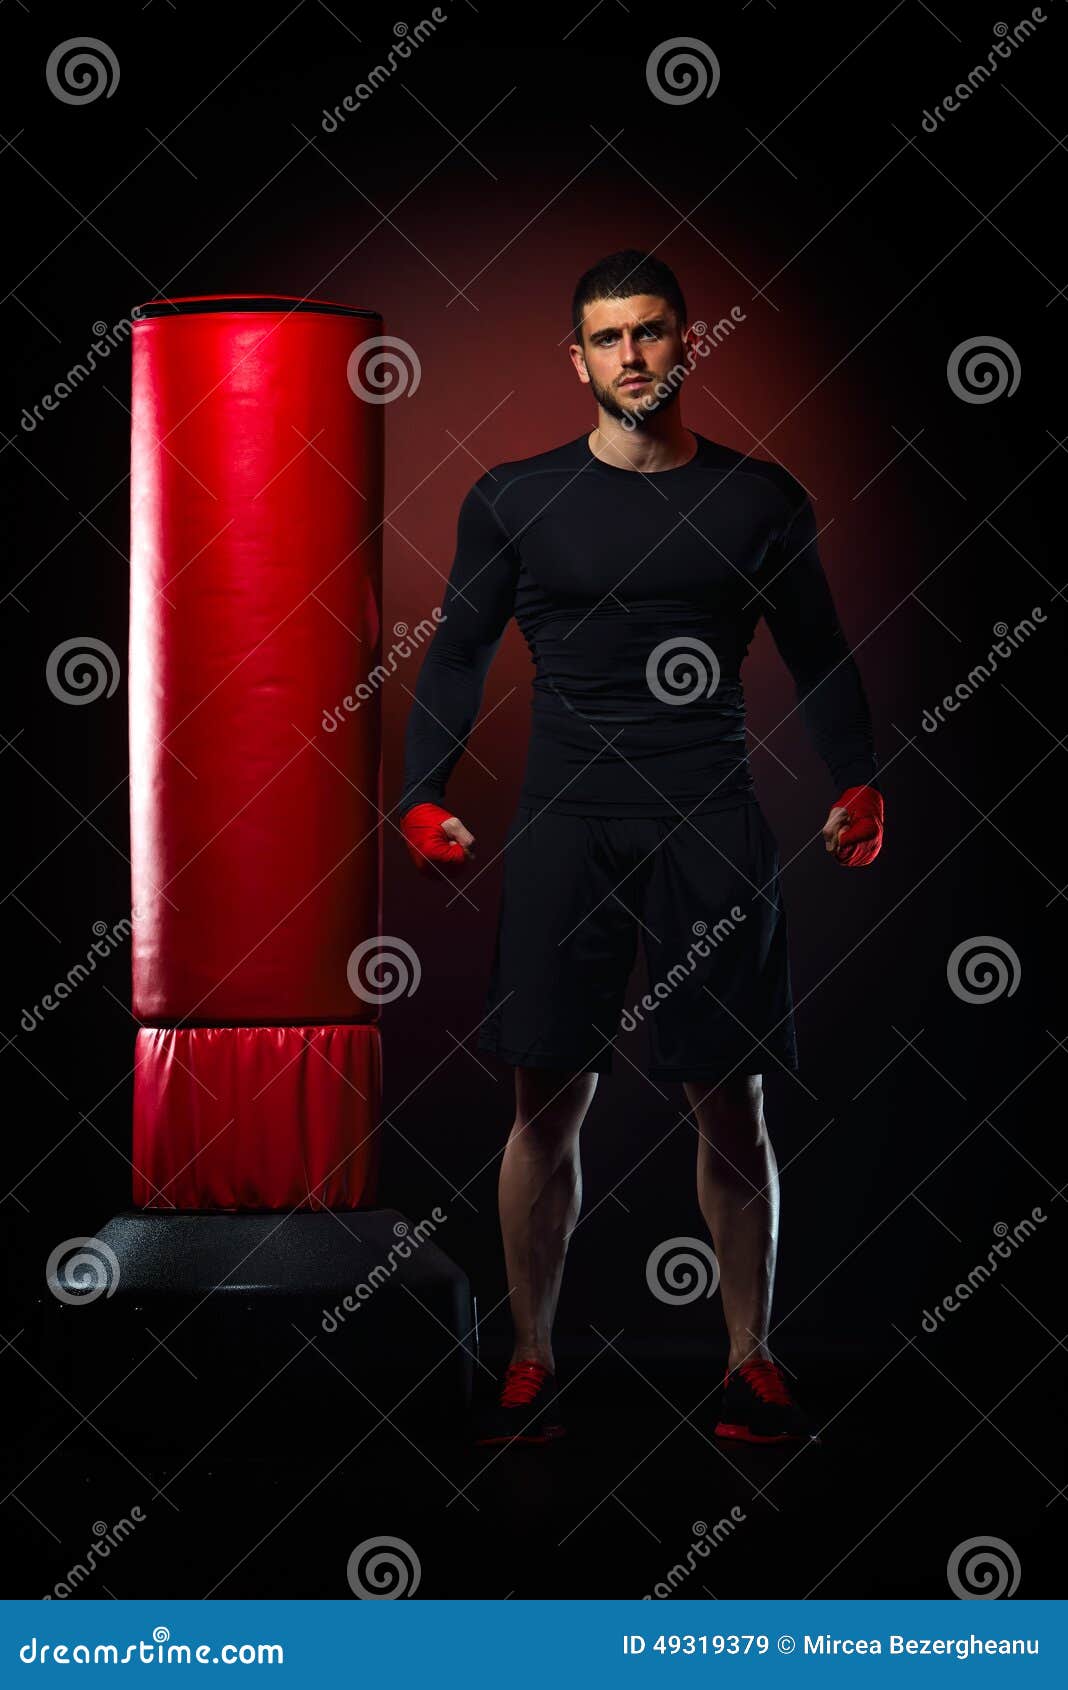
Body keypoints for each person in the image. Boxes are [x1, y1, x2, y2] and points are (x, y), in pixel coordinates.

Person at [398, 249, 885, 1449]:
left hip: (708, 816)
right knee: (545, 1106)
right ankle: (530, 1356)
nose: (632, 354)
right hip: (566, 822)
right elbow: (457, 651)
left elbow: (819, 650)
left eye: (652, 331)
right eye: (609, 337)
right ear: (577, 360)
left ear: (685, 343)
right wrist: (421, 790)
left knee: (732, 1102)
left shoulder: (758, 498)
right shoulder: (515, 496)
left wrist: (856, 777)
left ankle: (750, 1360)